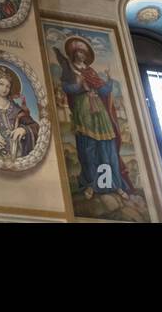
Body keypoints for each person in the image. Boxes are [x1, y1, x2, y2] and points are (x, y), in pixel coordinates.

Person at [55, 36, 132, 200]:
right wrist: (80, 85)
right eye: (78, 51)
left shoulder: (90, 71)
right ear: (73, 53)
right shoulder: (70, 70)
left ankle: (114, 184)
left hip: (99, 110)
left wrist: (109, 80)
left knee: (107, 147)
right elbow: (67, 87)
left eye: (83, 52)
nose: (81, 54)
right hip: (84, 109)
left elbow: (103, 91)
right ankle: (90, 184)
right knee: (88, 148)